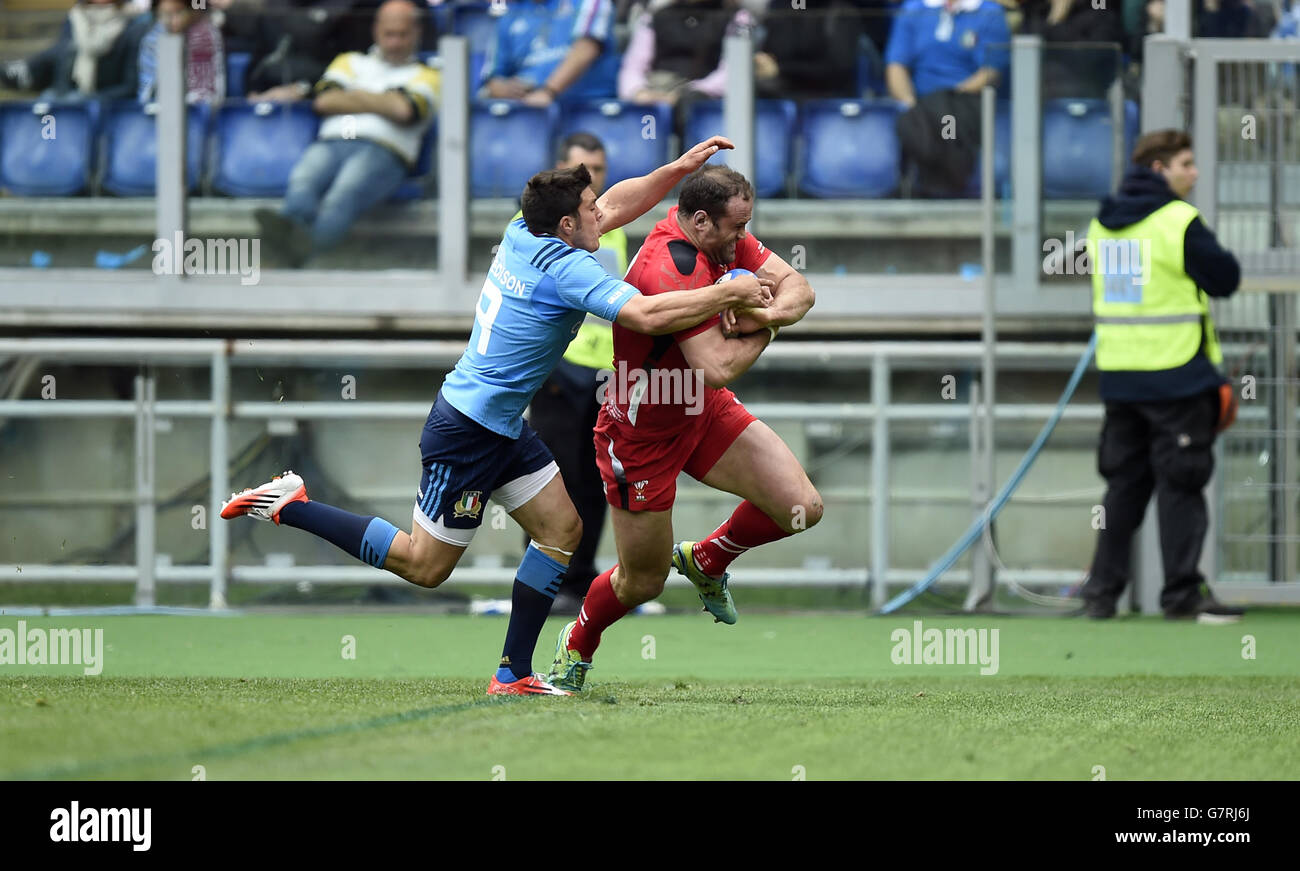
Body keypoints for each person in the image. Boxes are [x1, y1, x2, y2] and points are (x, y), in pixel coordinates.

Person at [221, 137, 775, 696]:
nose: (600, 211)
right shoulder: (567, 271)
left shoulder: (522, 229)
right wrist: (732, 292)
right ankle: (293, 506)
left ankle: (512, 672)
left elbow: (617, 204)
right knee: (425, 566)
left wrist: (675, 170)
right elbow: (648, 314)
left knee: (563, 530)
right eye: (588, 209)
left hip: (503, 423)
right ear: (565, 225)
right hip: (467, 429)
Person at [546, 165, 819, 693]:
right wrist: (764, 317)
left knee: (801, 508)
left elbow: (801, 289)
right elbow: (717, 365)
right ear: (700, 220)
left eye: (746, 228)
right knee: (642, 581)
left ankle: (708, 559)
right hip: (641, 433)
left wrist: (761, 316)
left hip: (702, 410)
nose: (744, 240)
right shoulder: (668, 266)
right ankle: (577, 642)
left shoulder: (722, 239)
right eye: (736, 229)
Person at [1079, 129, 1246, 623]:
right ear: (1159, 169)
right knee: (1181, 486)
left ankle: (1101, 594)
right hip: (1176, 377)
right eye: (1186, 164)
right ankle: (1181, 595)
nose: (1194, 173)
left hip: (1120, 377)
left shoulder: (1102, 223)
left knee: (1122, 489)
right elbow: (1226, 279)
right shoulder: (1178, 221)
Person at [520, 133, 627, 615]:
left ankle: (581, 580)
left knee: (597, 480)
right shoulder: (543, 228)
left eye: (601, 170)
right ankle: (542, 578)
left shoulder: (613, 229)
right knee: (549, 478)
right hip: (560, 370)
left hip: (606, 375)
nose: (595, 180)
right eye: (584, 170)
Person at [253, 0, 439, 268]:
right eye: (389, 34)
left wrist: (352, 96)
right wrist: (384, 99)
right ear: (376, 30)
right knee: (303, 182)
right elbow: (324, 101)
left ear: (417, 32)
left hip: (385, 151)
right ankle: (293, 244)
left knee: (341, 196)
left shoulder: (430, 73)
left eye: (403, 34)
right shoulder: (349, 60)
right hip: (331, 142)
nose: (395, 42)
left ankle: (293, 256)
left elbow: (405, 110)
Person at [885, 0, 1011, 196]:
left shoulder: (990, 12)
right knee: (915, 120)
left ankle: (944, 187)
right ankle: (930, 185)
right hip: (920, 105)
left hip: (964, 101)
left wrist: (950, 97)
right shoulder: (913, 9)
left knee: (947, 120)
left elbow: (990, 72)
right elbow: (896, 67)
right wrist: (910, 102)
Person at [0, 0, 151, 102]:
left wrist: (89, 99)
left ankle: (28, 71)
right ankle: (28, 72)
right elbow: (60, 59)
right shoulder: (76, 17)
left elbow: (130, 86)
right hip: (67, 91)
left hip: (103, 100)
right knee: (46, 102)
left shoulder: (135, 25)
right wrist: (62, 93)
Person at [482, 0, 619, 107]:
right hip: (527, 111)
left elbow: (586, 49)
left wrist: (548, 91)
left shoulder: (588, 2)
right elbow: (492, 78)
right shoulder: (510, 14)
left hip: (586, 107)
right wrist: (500, 88)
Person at [137, 0, 225, 105]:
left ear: (191, 10)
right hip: (159, 110)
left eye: (179, 12)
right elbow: (147, 90)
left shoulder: (204, 35)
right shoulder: (152, 38)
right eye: (166, 14)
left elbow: (205, 94)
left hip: (197, 111)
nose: (174, 21)